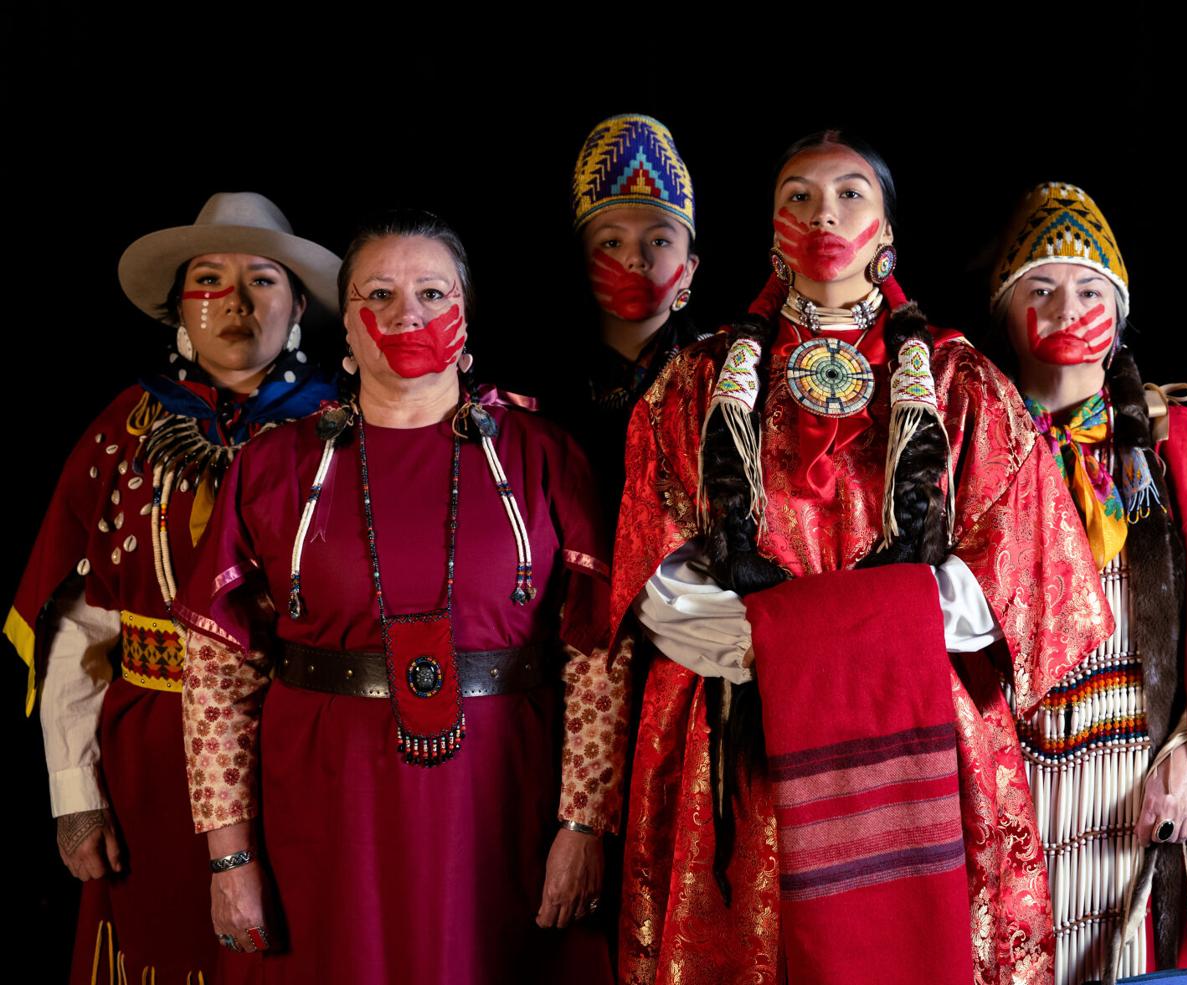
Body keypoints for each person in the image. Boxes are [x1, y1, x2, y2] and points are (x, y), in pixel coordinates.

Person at [612, 133, 1112, 984]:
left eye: (849, 194)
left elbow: (1020, 580)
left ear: (887, 228)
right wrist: (779, 647)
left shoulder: (962, 383)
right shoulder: (695, 384)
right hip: (743, 732)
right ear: (772, 227)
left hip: (922, 728)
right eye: (799, 195)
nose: (824, 214)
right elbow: (653, 581)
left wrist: (810, 637)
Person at [174, 211, 630, 983]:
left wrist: (583, 823)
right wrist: (231, 856)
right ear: (345, 331)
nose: (404, 313)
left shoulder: (542, 454)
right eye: (377, 294)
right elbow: (218, 678)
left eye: (430, 291)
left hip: (500, 812)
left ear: (465, 315)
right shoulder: (275, 466)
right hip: (323, 815)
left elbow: (595, 655)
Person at [5, 191, 340, 983]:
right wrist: (74, 791)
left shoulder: (342, 429)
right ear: (176, 311)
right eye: (208, 280)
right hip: (151, 762)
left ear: (296, 304)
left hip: (305, 746)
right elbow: (79, 631)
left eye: (262, 279)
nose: (235, 303)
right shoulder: (124, 430)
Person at [989, 182, 1187, 983]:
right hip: (1014, 778)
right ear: (1006, 313)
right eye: (1039, 289)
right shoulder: (973, 445)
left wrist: (1185, 759)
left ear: (1118, 310)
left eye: (1087, 290)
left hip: (1137, 775)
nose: (1066, 306)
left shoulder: (1178, 447)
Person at [552, 113, 706, 515]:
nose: (636, 259)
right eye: (611, 242)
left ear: (689, 268)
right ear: (582, 262)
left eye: (658, 239)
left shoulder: (723, 375)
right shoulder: (535, 391)